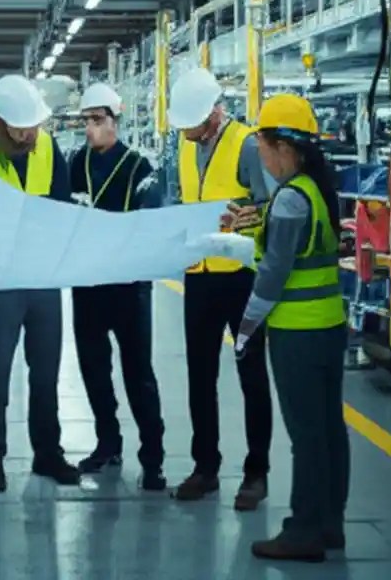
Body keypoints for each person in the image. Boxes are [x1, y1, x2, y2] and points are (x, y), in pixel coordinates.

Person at [231, 93, 350, 562]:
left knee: (305, 435)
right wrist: (252, 224)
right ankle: (329, 524)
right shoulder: (317, 190)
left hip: (296, 334)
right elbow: (295, 243)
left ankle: (301, 530)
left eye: (260, 145)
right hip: (329, 327)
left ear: (282, 147)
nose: (259, 155)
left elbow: (273, 274)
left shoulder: (289, 198)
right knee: (328, 430)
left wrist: (244, 329)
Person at [0, 74, 81, 492]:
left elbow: (62, 210)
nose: (28, 134)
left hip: (43, 278)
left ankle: (48, 453)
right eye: (19, 126)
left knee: (46, 372)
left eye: (33, 125)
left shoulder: (48, 148)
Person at [163, 67, 275, 508]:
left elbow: (271, 206)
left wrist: (245, 217)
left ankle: (256, 472)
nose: (186, 133)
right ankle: (205, 467)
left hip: (242, 278)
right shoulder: (186, 149)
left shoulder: (247, 144)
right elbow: (184, 202)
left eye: (191, 124)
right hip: (200, 277)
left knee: (250, 374)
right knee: (200, 375)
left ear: (213, 115)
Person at [67, 83, 166, 491]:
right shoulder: (75, 164)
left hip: (128, 286)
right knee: (94, 368)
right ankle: (107, 443)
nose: (90, 129)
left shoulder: (139, 167)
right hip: (88, 284)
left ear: (115, 121)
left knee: (138, 371)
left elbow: (152, 221)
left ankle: (153, 458)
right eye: (86, 121)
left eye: (98, 120)